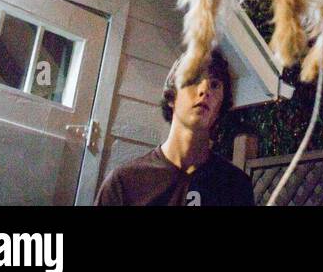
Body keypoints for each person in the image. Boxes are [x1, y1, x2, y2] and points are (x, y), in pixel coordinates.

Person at [94, 48, 254, 206]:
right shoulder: (124, 184)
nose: (204, 90)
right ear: (172, 97)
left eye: (214, 84)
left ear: (221, 106)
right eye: (193, 79)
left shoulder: (236, 187)